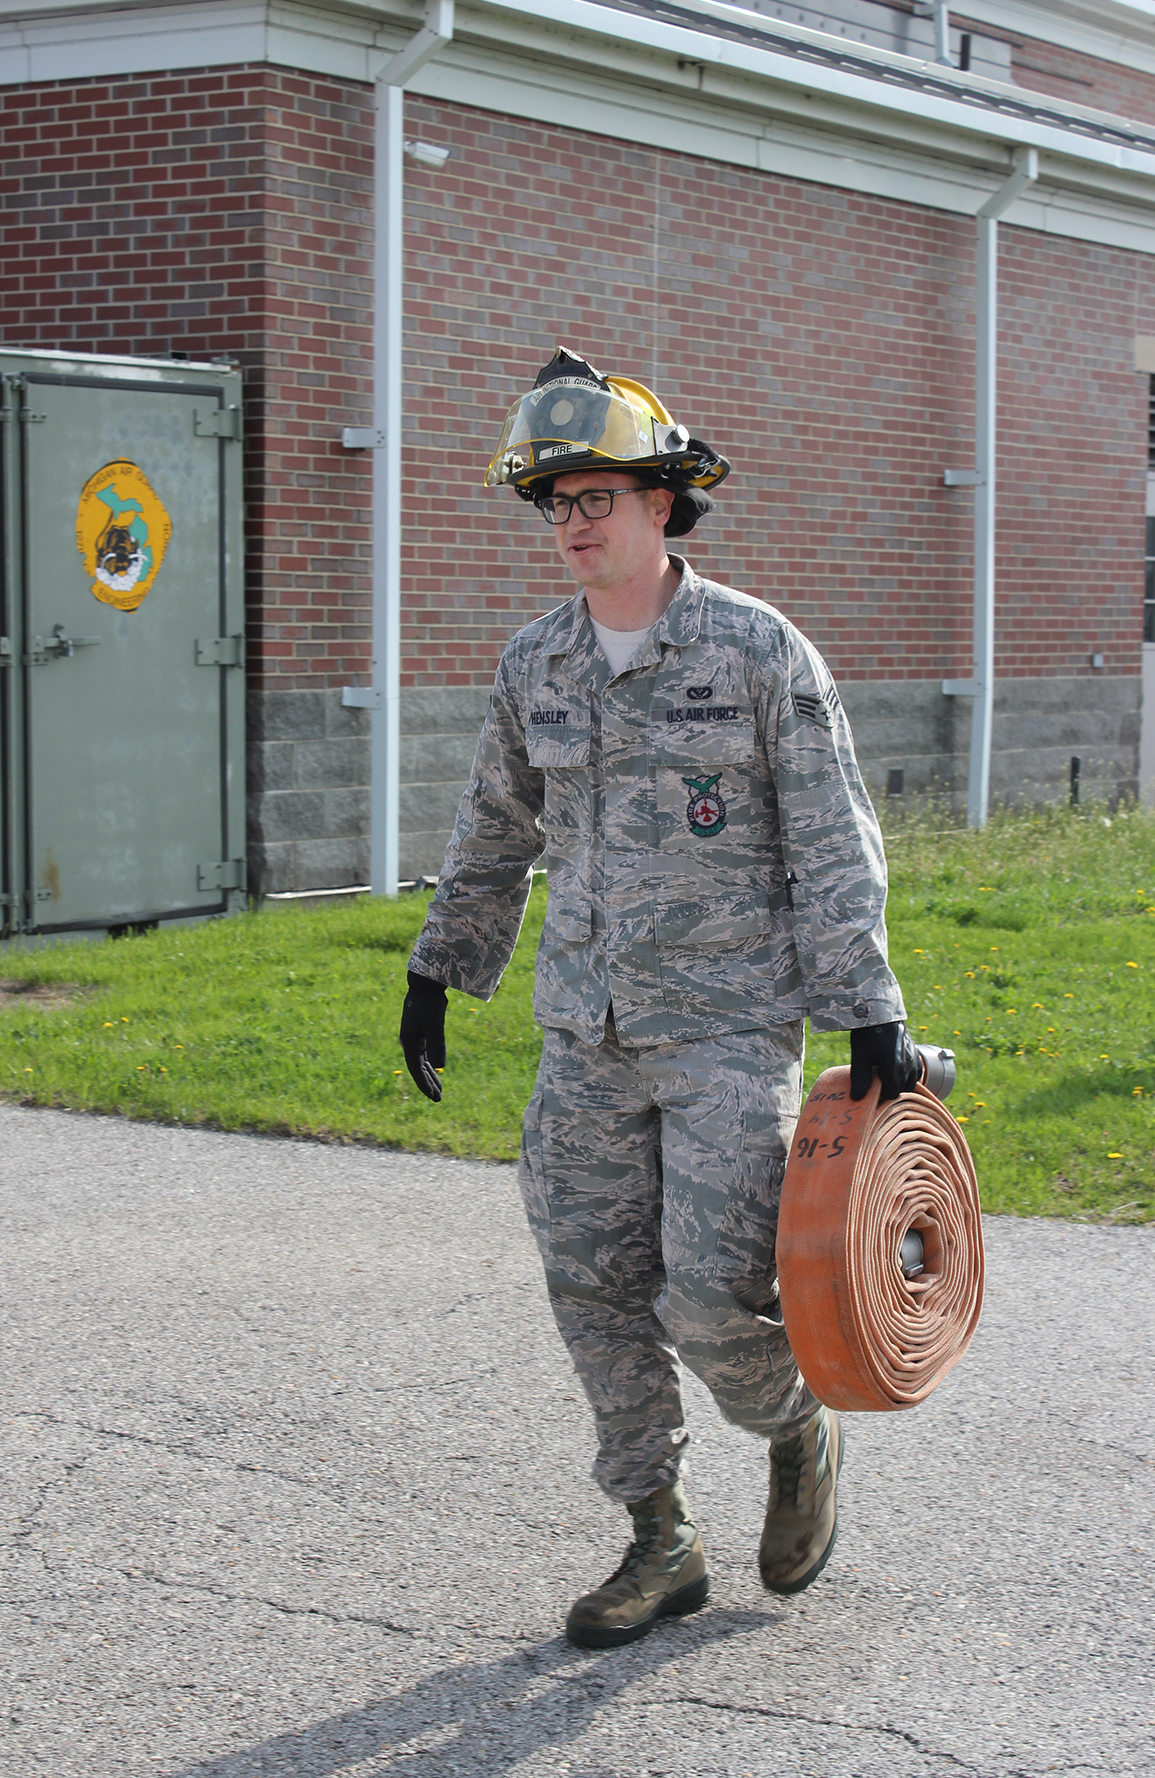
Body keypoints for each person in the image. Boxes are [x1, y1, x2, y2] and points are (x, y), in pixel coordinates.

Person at [400, 348, 921, 1649]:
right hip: (585, 1027)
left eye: (599, 497)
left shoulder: (755, 652)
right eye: (556, 504)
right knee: (586, 1279)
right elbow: (492, 833)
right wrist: (437, 968)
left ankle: (796, 1433)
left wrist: (865, 1003)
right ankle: (659, 1537)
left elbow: (831, 836)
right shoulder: (535, 663)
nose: (575, 524)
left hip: (728, 1029)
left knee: (709, 1292)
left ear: (662, 502)